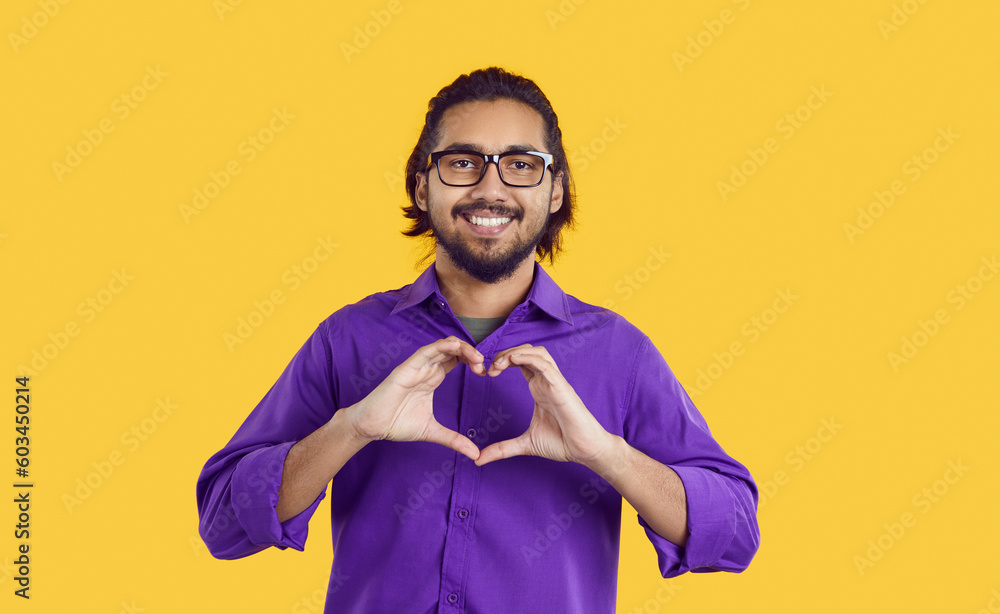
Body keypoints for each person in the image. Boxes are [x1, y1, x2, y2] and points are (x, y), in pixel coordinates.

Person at [196, 66, 760, 613]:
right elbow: (223, 523)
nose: (491, 189)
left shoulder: (620, 353)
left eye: (521, 164)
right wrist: (352, 429)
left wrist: (608, 455)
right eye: (462, 162)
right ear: (423, 187)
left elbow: (735, 537)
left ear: (555, 190)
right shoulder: (346, 339)